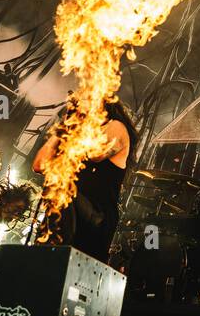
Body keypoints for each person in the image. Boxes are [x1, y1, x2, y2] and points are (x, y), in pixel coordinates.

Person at [32, 99, 136, 265]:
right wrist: (61, 130)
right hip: (71, 211)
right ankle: (49, 251)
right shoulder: (76, 137)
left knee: (62, 186)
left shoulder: (116, 127)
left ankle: (56, 250)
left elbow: (96, 154)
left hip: (96, 215)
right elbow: (39, 164)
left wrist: (75, 133)